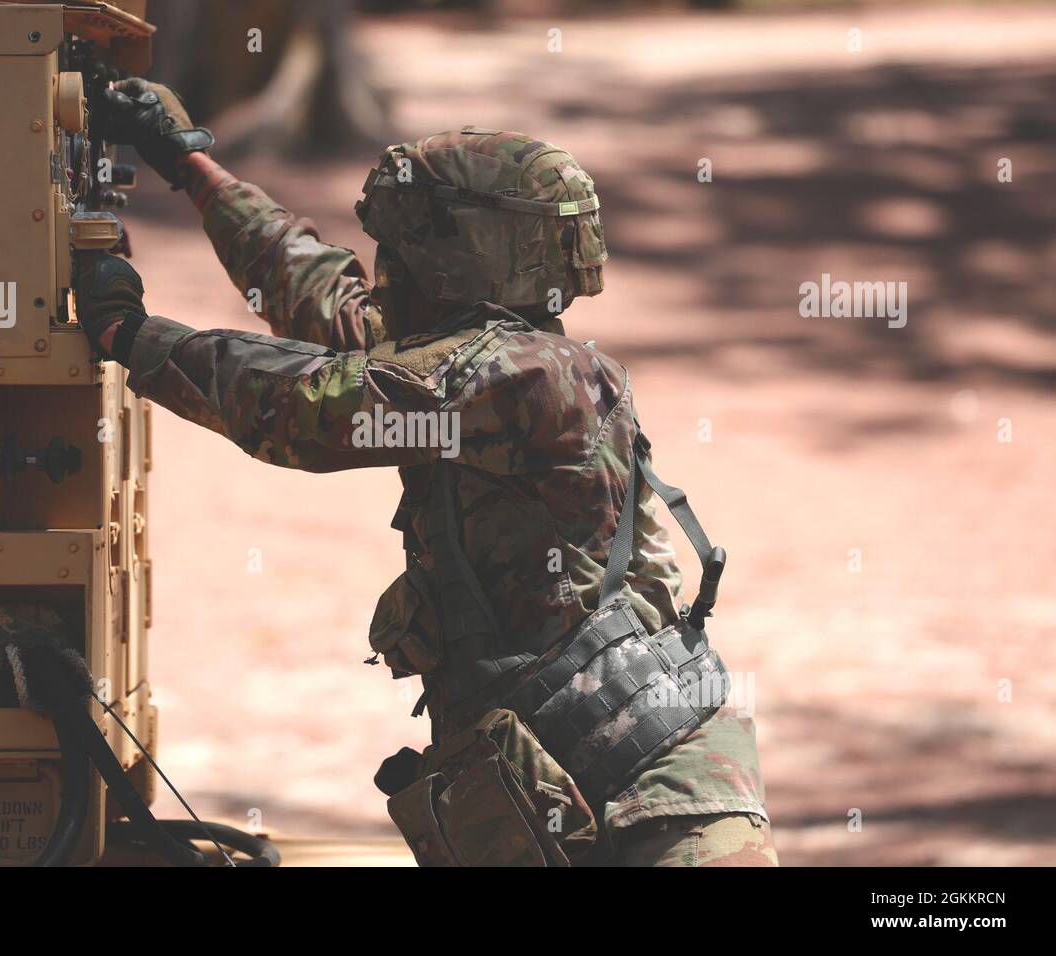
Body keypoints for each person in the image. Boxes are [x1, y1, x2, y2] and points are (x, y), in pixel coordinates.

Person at [77, 79, 776, 866]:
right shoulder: (484, 357)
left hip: (660, 817)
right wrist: (191, 165)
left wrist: (129, 335)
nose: (385, 268)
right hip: (589, 799)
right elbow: (317, 295)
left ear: (463, 255)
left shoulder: (521, 377)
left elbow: (312, 404)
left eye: (402, 245)